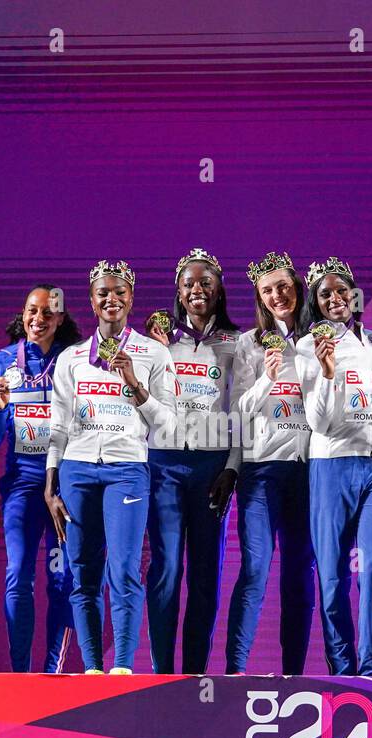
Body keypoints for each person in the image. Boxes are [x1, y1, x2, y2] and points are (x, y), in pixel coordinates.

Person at [45, 260, 175, 674]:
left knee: (123, 569)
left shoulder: (153, 354)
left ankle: (121, 665)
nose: (111, 299)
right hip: (77, 470)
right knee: (82, 572)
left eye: (119, 292)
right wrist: (51, 483)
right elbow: (59, 423)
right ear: (92, 300)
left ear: (131, 299)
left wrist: (135, 384)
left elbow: (168, 425)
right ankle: (91, 668)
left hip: (127, 470)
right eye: (103, 293)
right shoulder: (71, 358)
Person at [296, 257, 372, 675]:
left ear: (354, 295)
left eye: (342, 291)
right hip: (331, 465)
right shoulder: (306, 347)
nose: (336, 298)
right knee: (333, 574)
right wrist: (329, 373)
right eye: (325, 294)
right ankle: (342, 665)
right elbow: (317, 422)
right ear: (316, 304)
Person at [144, 248, 240, 673]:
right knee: (165, 569)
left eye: (205, 282)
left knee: (205, 576)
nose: (197, 290)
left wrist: (232, 467)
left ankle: (195, 674)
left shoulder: (237, 342)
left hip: (211, 469)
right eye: (188, 284)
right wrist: (157, 354)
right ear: (178, 293)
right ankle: (163, 673)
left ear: (219, 288)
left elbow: (242, 411)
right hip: (163, 465)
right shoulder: (157, 342)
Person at [224, 252, 316, 674]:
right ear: (260, 298)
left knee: (300, 571)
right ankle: (235, 672)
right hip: (262, 470)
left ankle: (294, 674)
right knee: (256, 567)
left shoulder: (320, 339)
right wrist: (267, 376)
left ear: (297, 286)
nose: (278, 296)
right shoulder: (249, 343)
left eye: (283, 286)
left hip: (310, 470)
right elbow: (240, 409)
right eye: (268, 291)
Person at [0, 285, 80, 673]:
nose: (38, 319)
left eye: (47, 313)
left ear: (60, 319)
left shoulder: (74, 360)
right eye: (31, 311)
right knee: (18, 575)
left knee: (63, 581)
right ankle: (20, 673)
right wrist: (1, 408)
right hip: (23, 484)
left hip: (65, 486)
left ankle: (52, 670)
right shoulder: (1, 362)